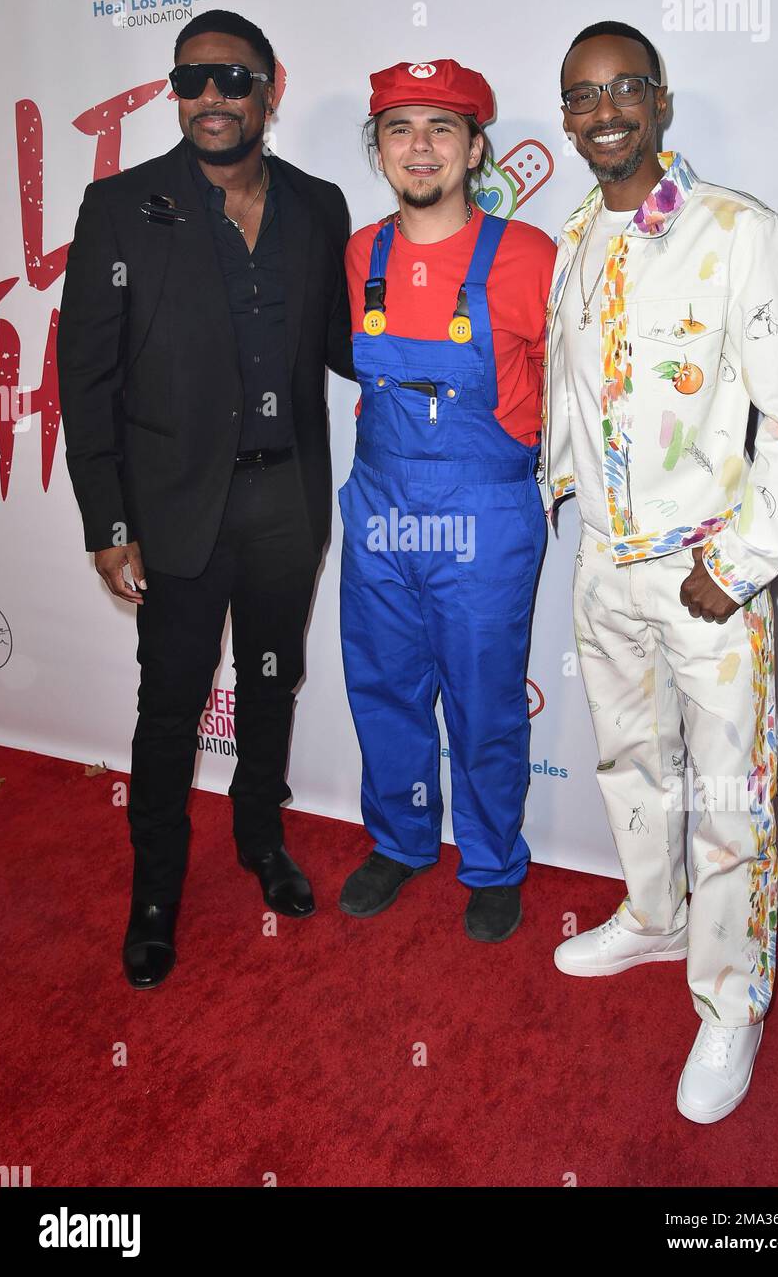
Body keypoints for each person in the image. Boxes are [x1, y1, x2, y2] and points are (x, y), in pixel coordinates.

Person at [541, 20, 778, 1120]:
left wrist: (745, 560)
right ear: (563, 117)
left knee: (724, 798)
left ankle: (731, 1003)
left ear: (660, 103)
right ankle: (655, 919)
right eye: (579, 96)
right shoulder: (575, 234)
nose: (602, 112)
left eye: (623, 90)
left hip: (706, 576)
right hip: (604, 565)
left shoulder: (736, 232)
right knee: (627, 764)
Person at [57, 10, 355, 989]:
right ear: (173, 90)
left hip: (286, 502)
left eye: (233, 79)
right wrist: (107, 520)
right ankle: (153, 896)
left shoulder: (319, 206)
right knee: (169, 707)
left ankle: (261, 842)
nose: (212, 99)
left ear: (267, 88)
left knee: (270, 682)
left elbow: (348, 348)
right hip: (177, 507)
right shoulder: (120, 205)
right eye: (192, 81)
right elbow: (85, 377)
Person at [338, 59, 556, 942]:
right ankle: (399, 842)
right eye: (400, 129)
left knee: (484, 697)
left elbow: (572, 384)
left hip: (485, 515)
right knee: (383, 687)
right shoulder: (363, 252)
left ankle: (494, 860)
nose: (419, 147)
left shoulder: (529, 254)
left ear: (474, 149)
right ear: (380, 150)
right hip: (382, 505)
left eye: (440, 130)